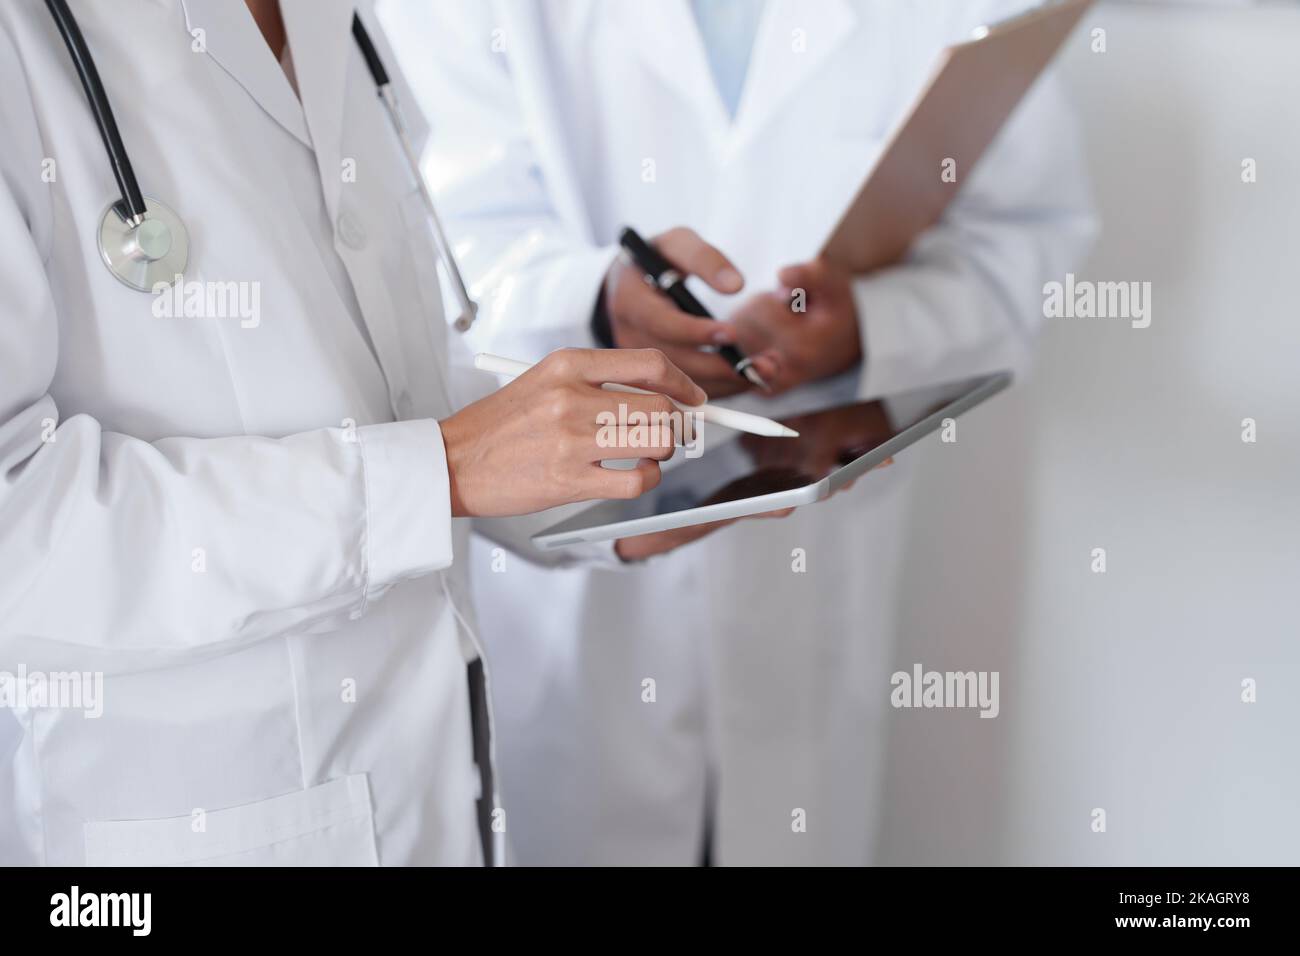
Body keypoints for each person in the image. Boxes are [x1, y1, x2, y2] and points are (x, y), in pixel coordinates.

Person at [381, 0, 1096, 864]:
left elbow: (1023, 240)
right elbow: (428, 243)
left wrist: (868, 322)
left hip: (812, 541)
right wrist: (594, 300)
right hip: (577, 577)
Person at [0, 0, 714, 866]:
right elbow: (19, 527)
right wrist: (436, 474)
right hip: (191, 822)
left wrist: (596, 468)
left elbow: (380, 383)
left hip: (435, 790)